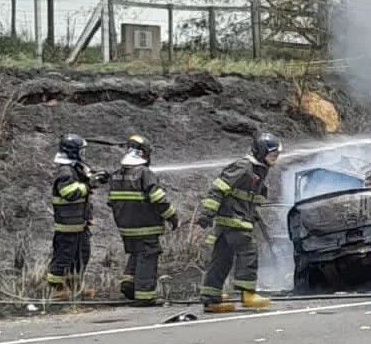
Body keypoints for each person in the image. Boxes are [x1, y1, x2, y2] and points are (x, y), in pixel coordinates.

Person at [196, 130, 280, 313]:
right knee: (249, 251)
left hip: (235, 220)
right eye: (272, 154)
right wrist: (207, 213)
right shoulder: (243, 167)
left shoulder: (259, 170)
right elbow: (218, 189)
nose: (275, 158)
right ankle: (247, 294)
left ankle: (211, 298)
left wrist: (253, 213)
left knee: (222, 259)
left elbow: (249, 197)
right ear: (260, 152)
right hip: (234, 221)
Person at [108, 134, 179, 305]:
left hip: (125, 227)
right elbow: (159, 199)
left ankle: (129, 283)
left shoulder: (116, 175)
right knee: (148, 255)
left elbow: (111, 202)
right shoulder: (144, 174)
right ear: (143, 153)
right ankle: (145, 296)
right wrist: (172, 217)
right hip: (146, 226)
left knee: (136, 253)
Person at [46, 133, 104, 295]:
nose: (83, 154)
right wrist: (90, 185)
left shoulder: (75, 168)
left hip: (80, 224)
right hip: (67, 226)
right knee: (63, 257)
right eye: (81, 151)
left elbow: (86, 179)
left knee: (81, 256)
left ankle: (75, 287)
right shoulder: (65, 172)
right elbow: (69, 192)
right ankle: (57, 289)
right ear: (72, 152)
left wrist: (98, 177)